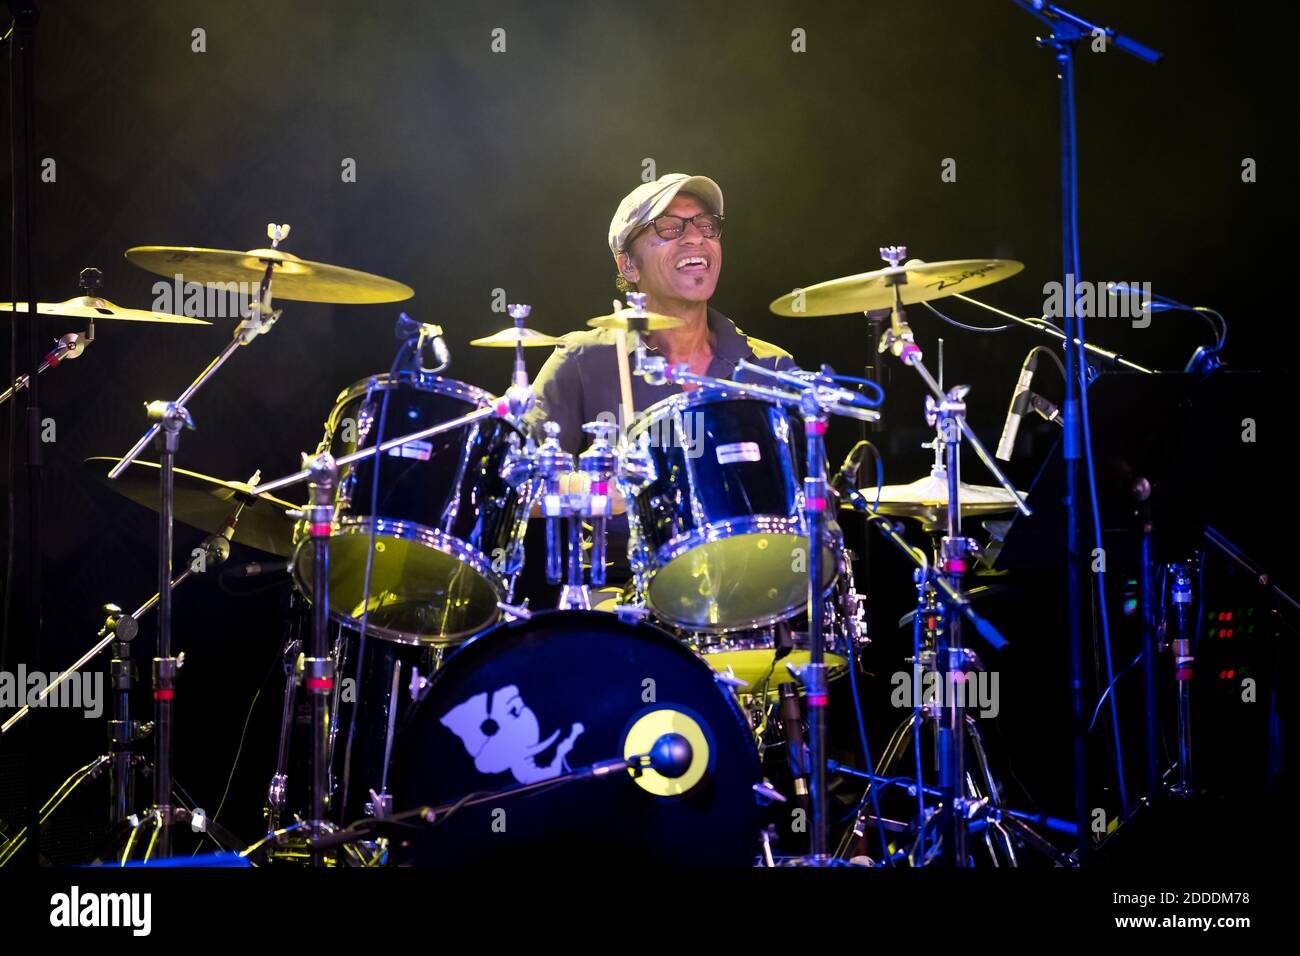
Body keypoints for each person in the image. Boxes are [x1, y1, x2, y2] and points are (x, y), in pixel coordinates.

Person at [523, 173, 797, 590]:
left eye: (707, 225)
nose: (695, 238)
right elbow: (516, 481)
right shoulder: (585, 358)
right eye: (669, 227)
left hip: (752, 591)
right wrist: (601, 489)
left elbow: (806, 502)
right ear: (628, 265)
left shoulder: (769, 367)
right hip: (622, 594)